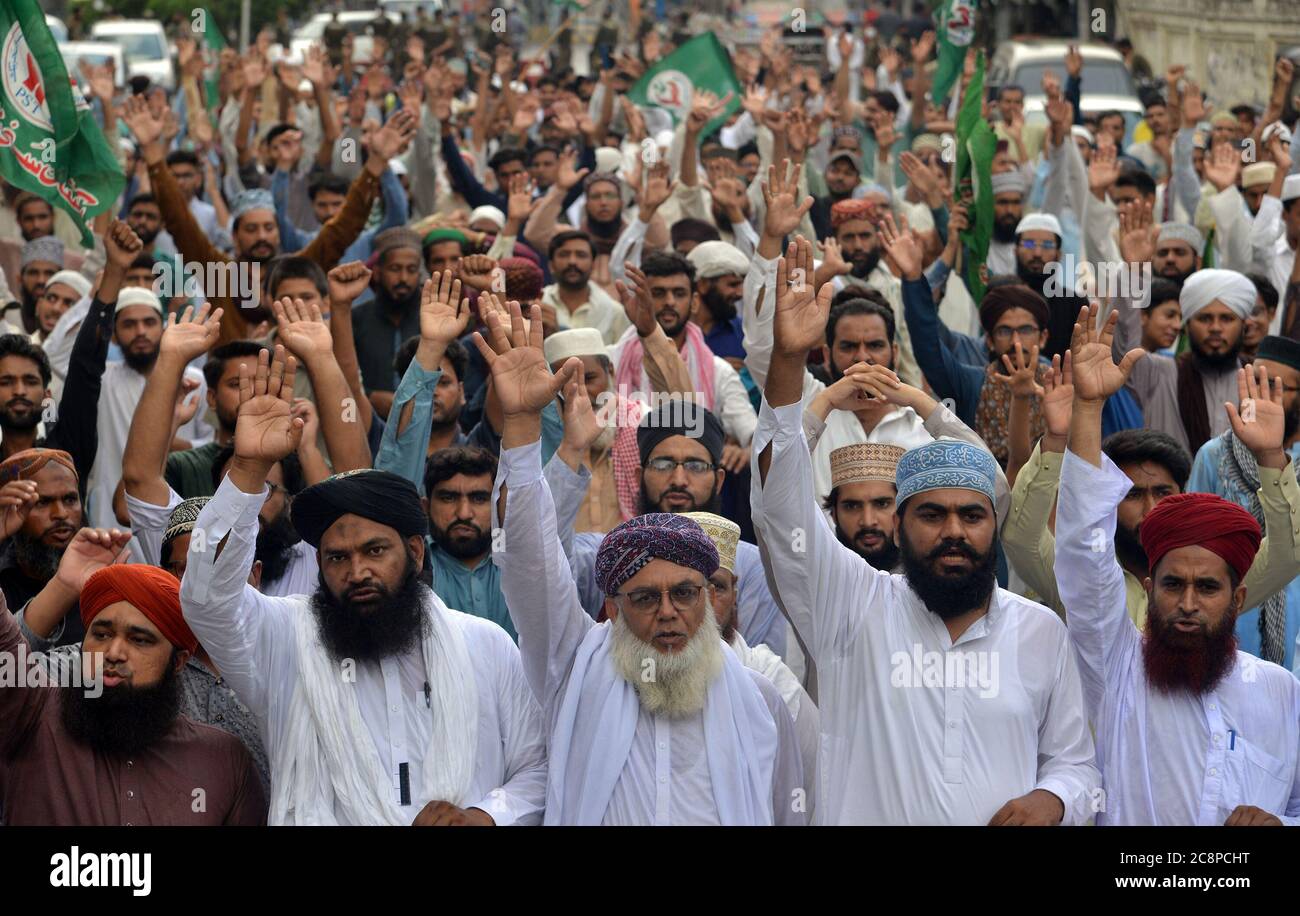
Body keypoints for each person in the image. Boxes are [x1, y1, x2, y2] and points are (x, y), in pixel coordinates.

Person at [751, 239, 1100, 825]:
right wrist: (791, 369)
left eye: (972, 515)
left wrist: (1054, 797)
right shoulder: (852, 606)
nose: (954, 532)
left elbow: (1077, 764)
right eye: (931, 515)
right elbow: (779, 511)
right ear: (899, 523)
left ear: (995, 522)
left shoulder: (1040, 632)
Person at [179, 345, 547, 825]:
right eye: (337, 557)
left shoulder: (486, 645)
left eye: (375, 551)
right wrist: (248, 471)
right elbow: (205, 598)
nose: (356, 572)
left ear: (414, 553)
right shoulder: (283, 640)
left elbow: (536, 767)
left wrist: (484, 815)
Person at [482, 302, 804, 825]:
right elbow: (528, 563)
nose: (668, 612)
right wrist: (520, 426)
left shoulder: (760, 699)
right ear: (610, 605)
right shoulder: (573, 666)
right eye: (645, 598)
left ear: (709, 596)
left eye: (684, 592)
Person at [1053, 304, 1300, 825]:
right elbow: (1081, 548)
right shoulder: (1116, 665)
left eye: (1207, 588)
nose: (1187, 604)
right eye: (1172, 585)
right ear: (1149, 585)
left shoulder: (1281, 691)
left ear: (1237, 598)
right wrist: (1088, 410)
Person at [0, 564, 266, 824]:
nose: (113, 653)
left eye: (139, 640)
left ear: (178, 662)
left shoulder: (223, 759)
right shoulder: (33, 714)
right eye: (101, 634)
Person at [1189, 336, 1300, 667]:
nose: (1261, 395)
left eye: (1276, 387)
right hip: (1231, 614)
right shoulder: (1214, 456)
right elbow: (1194, 545)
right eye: (1256, 383)